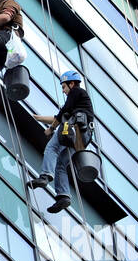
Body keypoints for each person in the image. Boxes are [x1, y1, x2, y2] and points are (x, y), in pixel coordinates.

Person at [27, 70, 94, 213]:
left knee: (52, 148)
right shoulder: (80, 102)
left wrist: (51, 129)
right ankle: (64, 196)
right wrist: (39, 118)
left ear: (71, 83)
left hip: (73, 127)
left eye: (64, 87)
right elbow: (60, 116)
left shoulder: (77, 92)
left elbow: (63, 112)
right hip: (83, 137)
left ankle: (45, 176)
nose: (63, 91)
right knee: (61, 163)